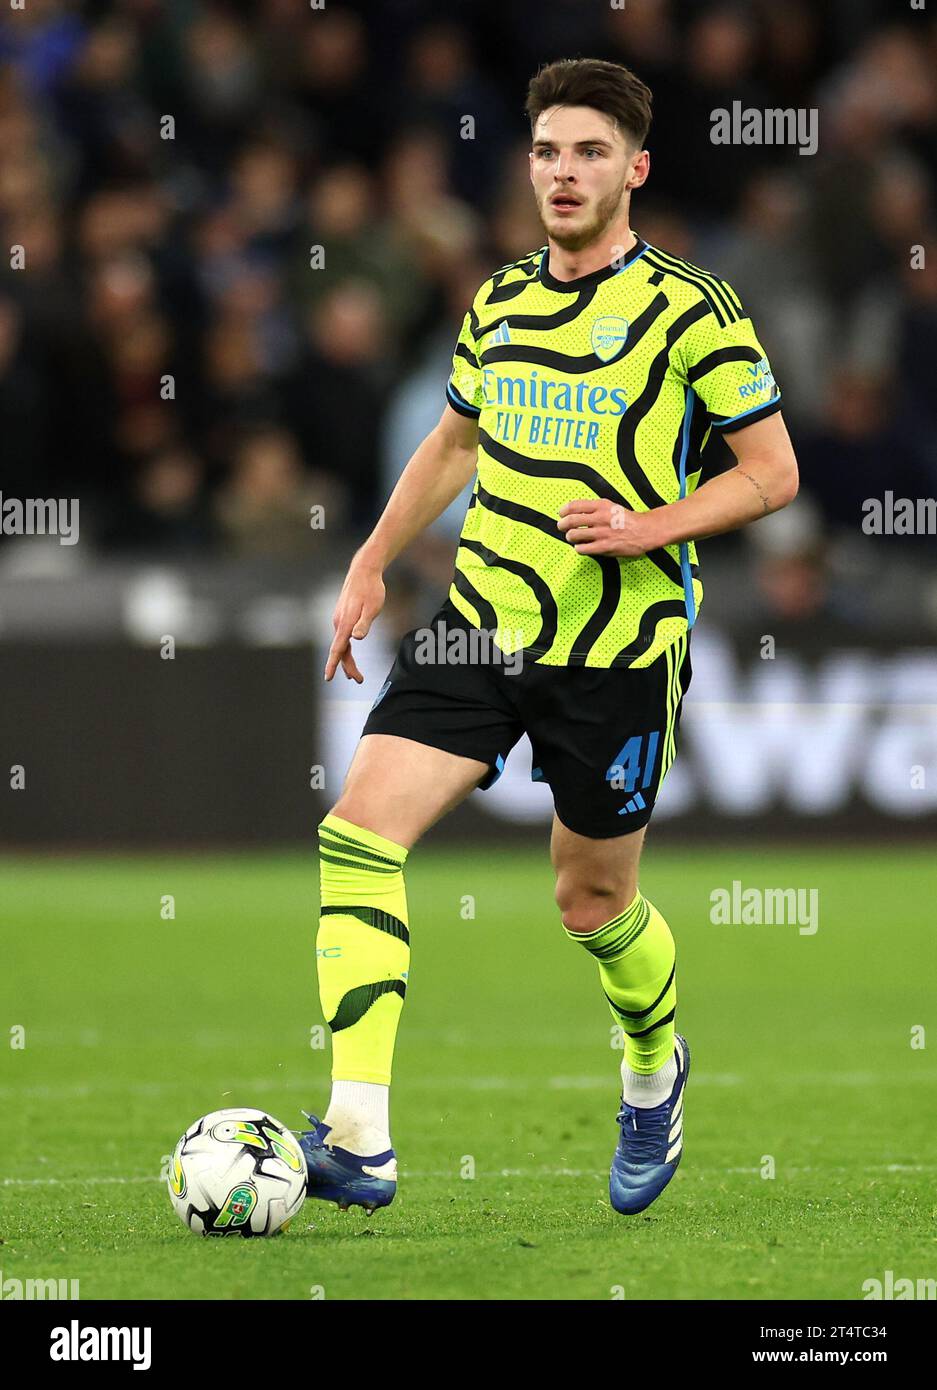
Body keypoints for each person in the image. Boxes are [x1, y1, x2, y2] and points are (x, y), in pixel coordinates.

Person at [299, 57, 798, 1217]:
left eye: (587, 152)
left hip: (617, 650)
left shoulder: (695, 309)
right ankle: (359, 1135)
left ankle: (651, 1067)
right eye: (544, 151)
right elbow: (455, 446)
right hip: (483, 622)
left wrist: (648, 527)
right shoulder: (502, 297)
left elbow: (770, 475)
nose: (562, 173)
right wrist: (371, 561)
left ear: (635, 168)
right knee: (358, 834)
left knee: (589, 903)